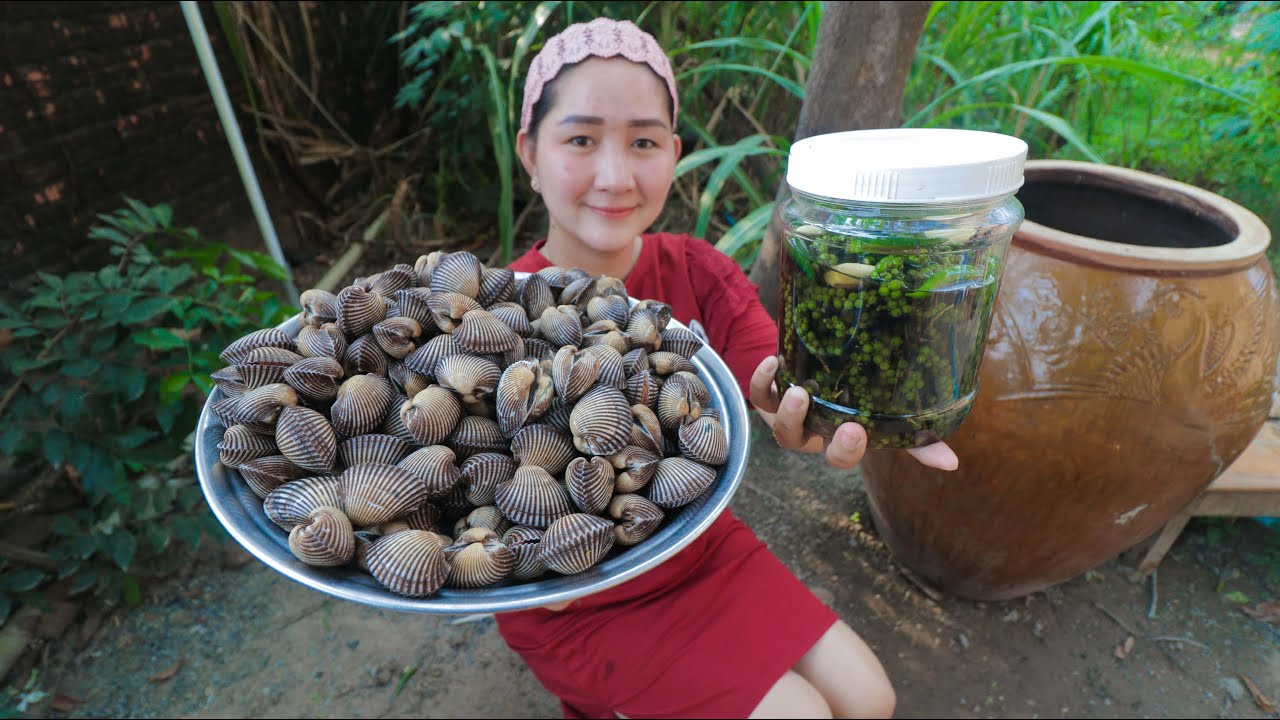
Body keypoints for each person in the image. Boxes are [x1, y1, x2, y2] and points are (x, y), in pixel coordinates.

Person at [496, 17, 958, 719]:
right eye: (581, 139)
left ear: (674, 153)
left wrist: (843, 408)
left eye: (644, 141)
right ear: (531, 152)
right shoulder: (492, 319)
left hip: (698, 553)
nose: (616, 175)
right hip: (575, 598)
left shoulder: (695, 269)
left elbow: (772, 379)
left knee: (869, 699)